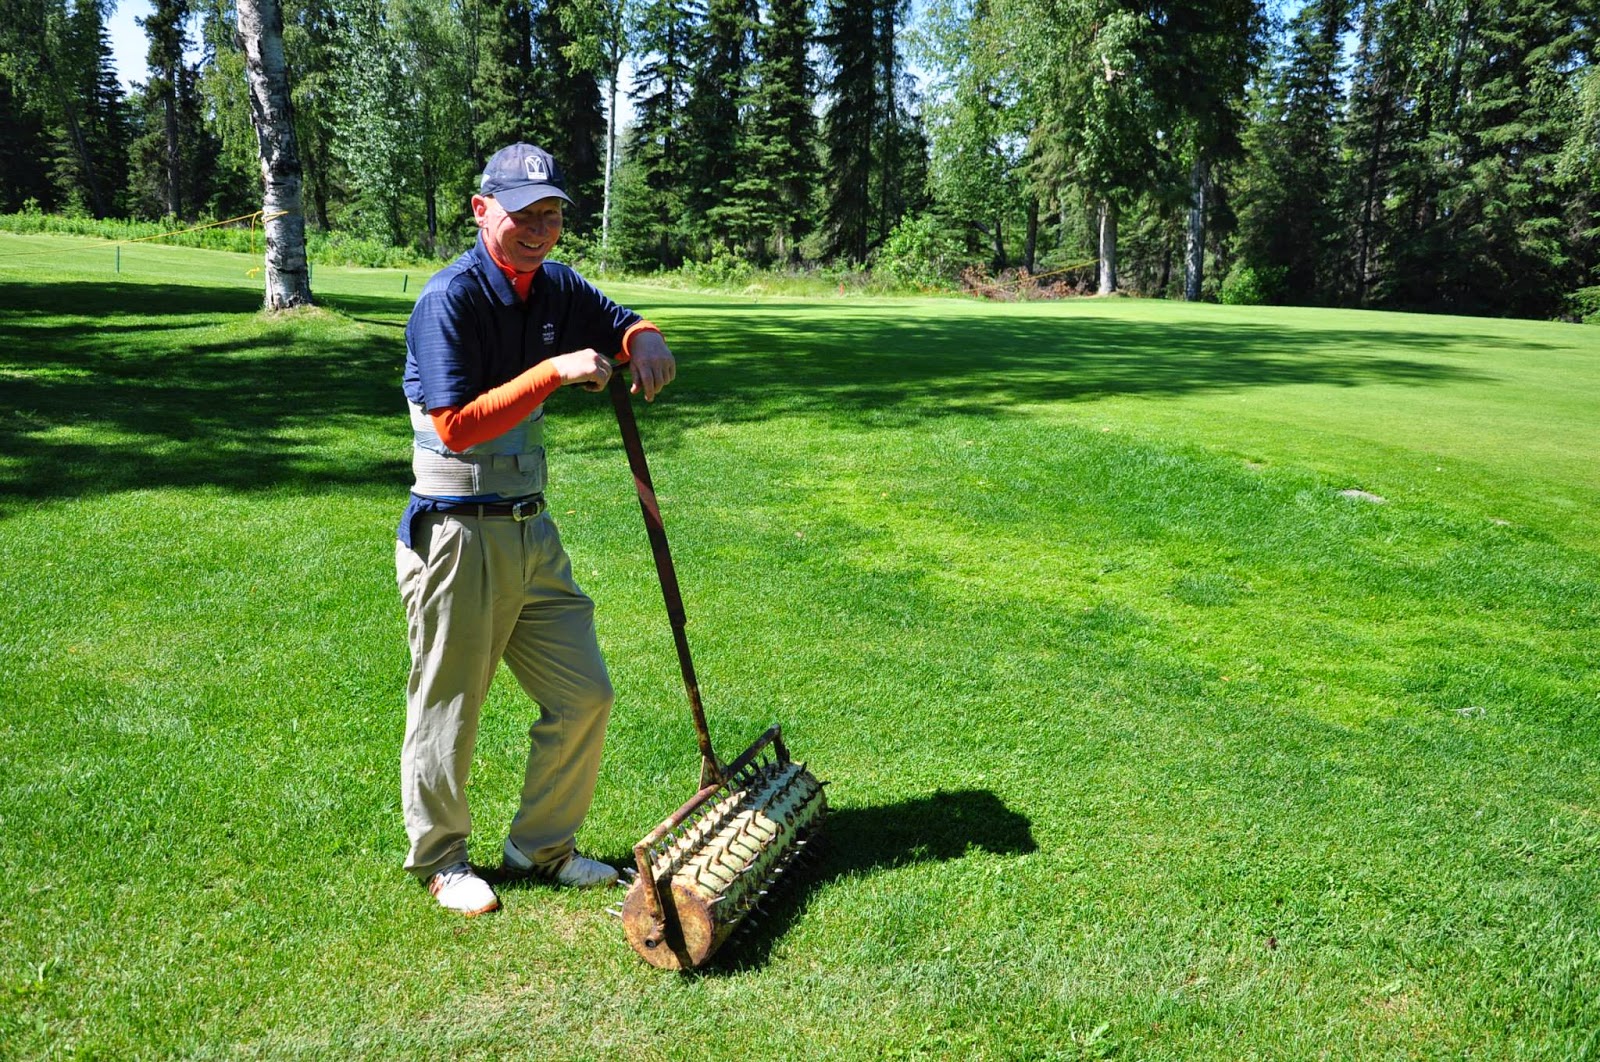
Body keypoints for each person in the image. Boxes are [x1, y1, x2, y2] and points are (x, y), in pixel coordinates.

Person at [396, 143, 676, 916]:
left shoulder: (552, 284)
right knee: (449, 704)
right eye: (523, 214)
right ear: (483, 210)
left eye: (551, 214)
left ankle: (540, 847)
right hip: (456, 531)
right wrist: (553, 372)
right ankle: (442, 859)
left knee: (584, 692)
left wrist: (642, 335)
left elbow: (612, 319)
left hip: (529, 528)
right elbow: (455, 425)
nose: (539, 228)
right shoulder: (448, 299)